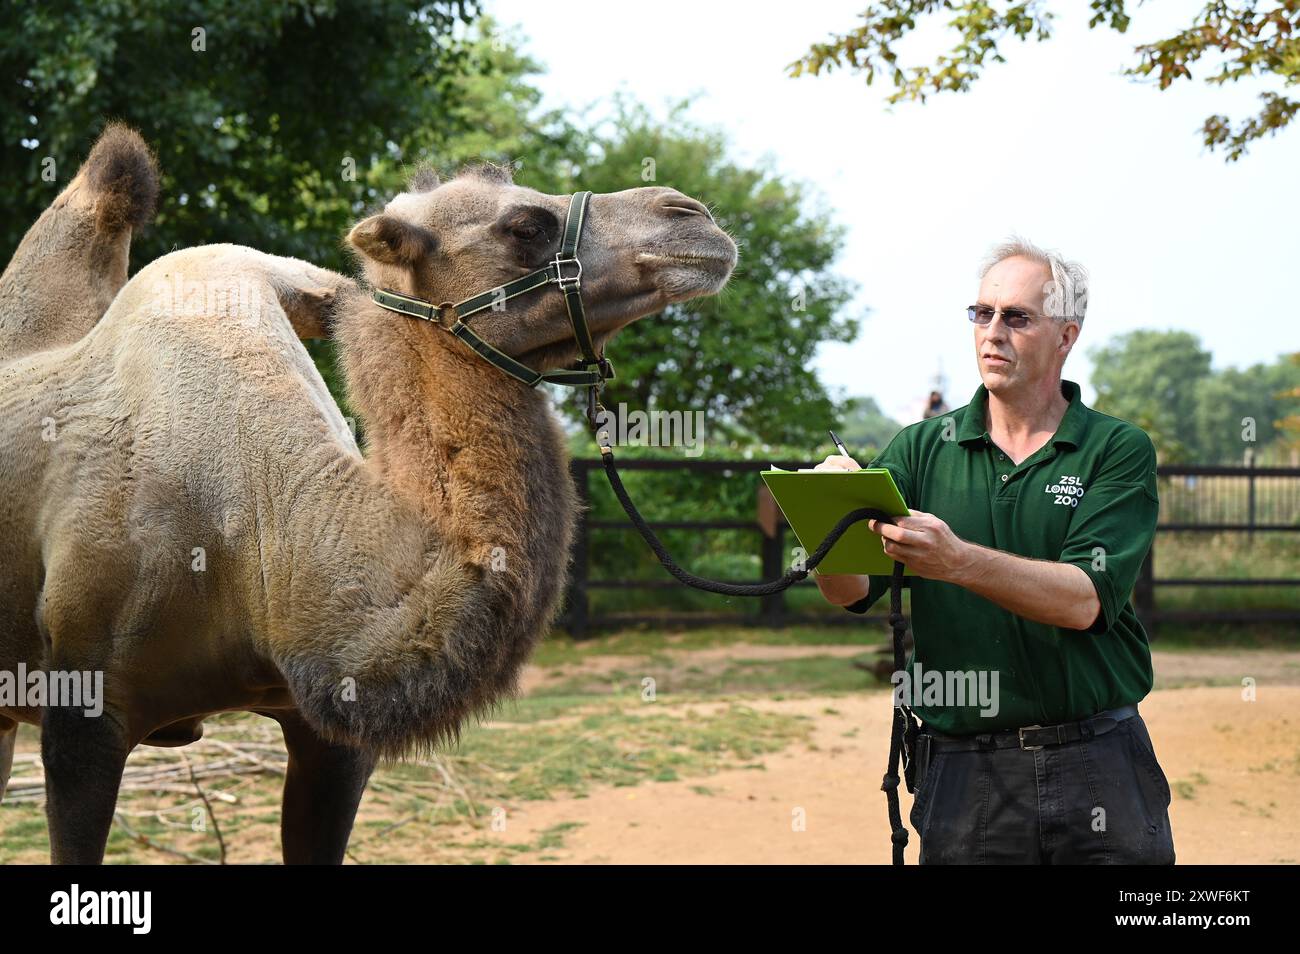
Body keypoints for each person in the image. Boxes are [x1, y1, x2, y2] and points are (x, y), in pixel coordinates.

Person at [816, 237, 1173, 864]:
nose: (993, 332)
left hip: (1098, 760)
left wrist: (956, 560)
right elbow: (849, 592)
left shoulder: (1115, 450)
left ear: (1066, 336)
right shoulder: (921, 447)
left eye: (1017, 317)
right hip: (964, 771)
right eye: (981, 313)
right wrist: (824, 517)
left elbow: (1085, 601)